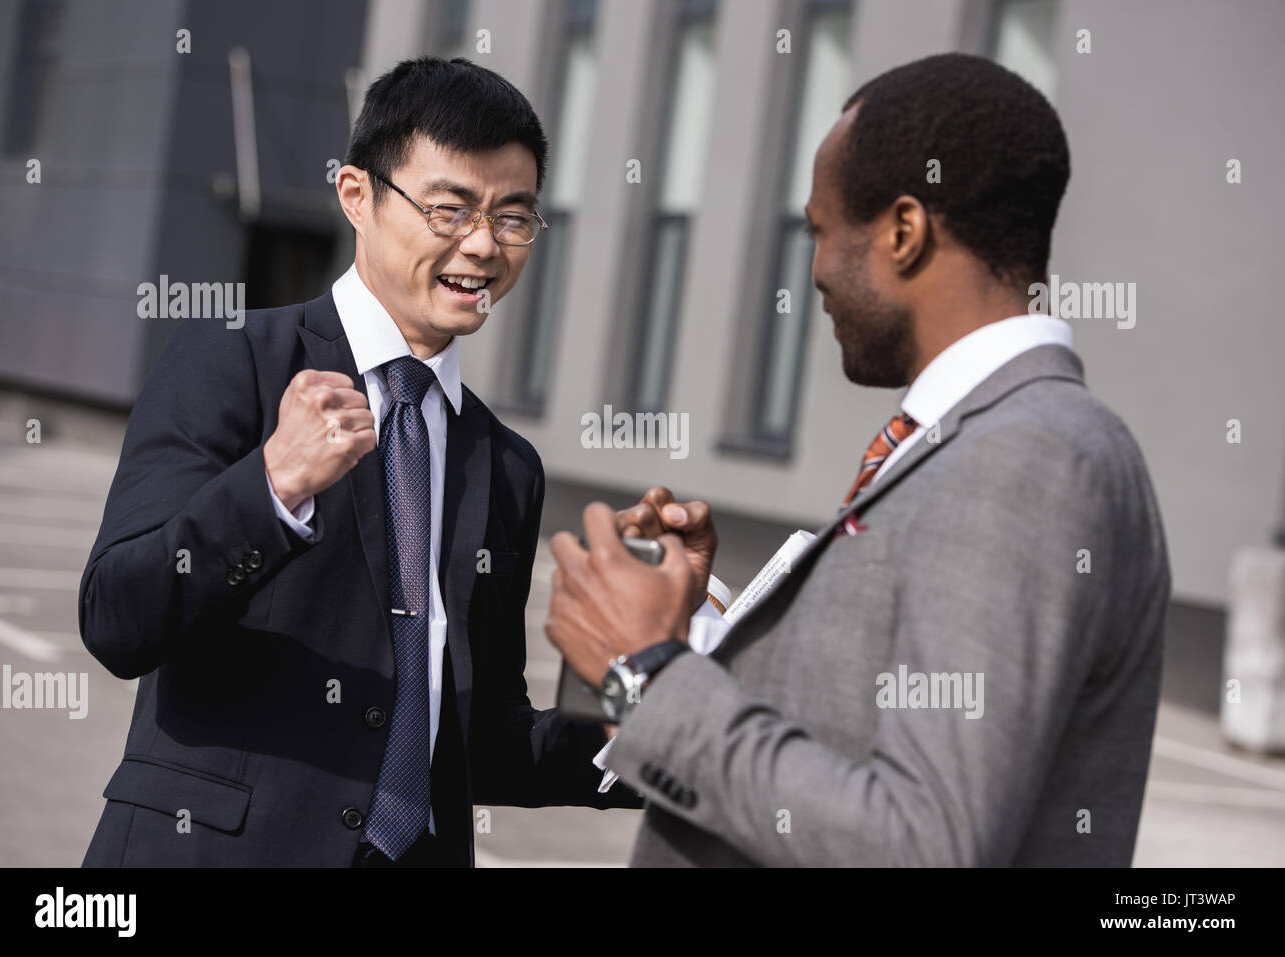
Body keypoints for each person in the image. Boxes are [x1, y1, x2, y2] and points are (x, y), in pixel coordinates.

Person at [544, 53, 1171, 867]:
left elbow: (923, 842)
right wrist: (686, 633)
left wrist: (653, 674)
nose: (814, 272)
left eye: (820, 230)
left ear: (902, 233)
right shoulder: (971, 438)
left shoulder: (1030, 456)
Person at [79, 57, 641, 868]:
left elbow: (484, 739)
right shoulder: (233, 360)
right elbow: (115, 617)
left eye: (512, 217)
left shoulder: (505, 464)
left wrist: (656, 699)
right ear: (357, 197)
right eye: (450, 208)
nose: (482, 246)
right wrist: (272, 485)